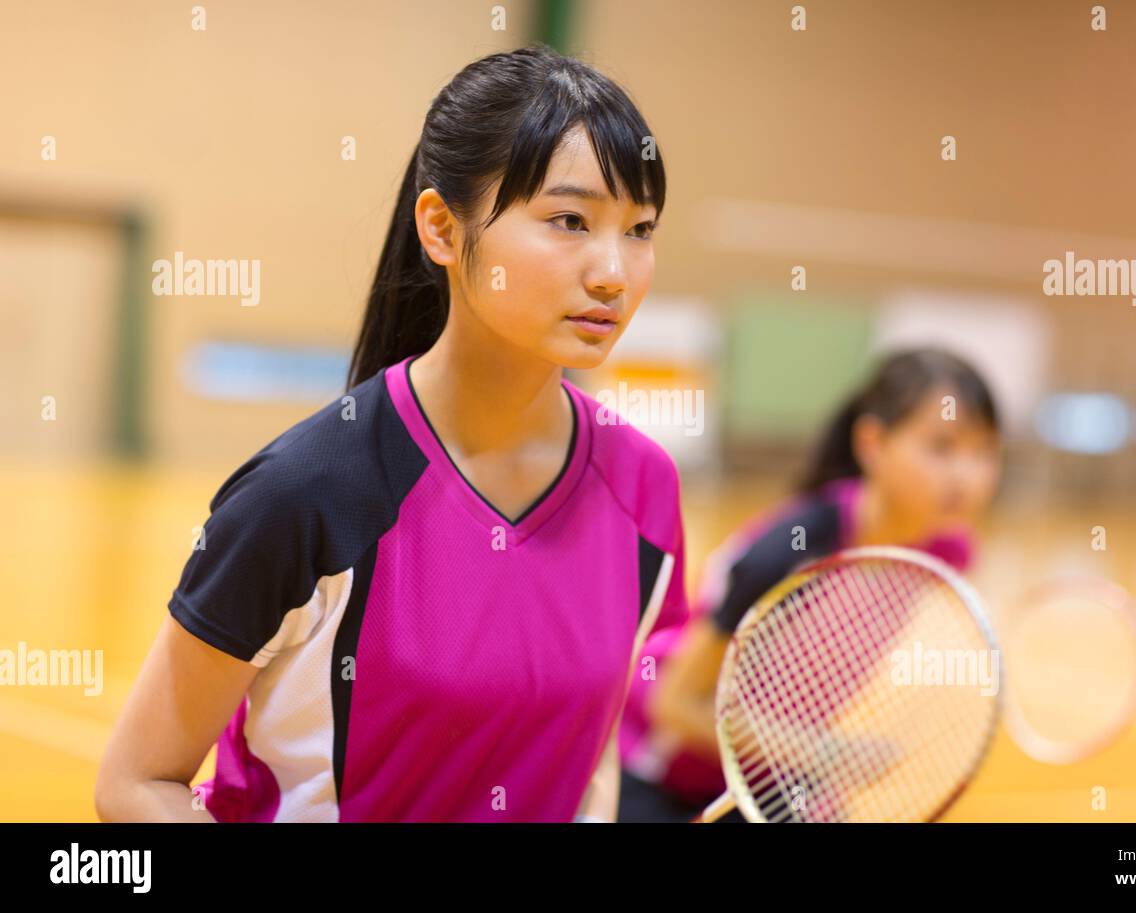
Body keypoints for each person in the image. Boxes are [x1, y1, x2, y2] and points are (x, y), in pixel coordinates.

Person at [97, 44, 686, 822]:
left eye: (639, 229)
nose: (614, 270)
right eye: (569, 220)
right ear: (443, 229)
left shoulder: (644, 488)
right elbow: (138, 783)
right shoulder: (305, 492)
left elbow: (592, 748)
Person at [616, 348, 1002, 822]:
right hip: (659, 768)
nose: (967, 474)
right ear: (873, 443)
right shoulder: (788, 552)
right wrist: (826, 757)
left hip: (771, 769)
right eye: (941, 447)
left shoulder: (947, 553)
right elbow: (675, 706)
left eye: (984, 452)